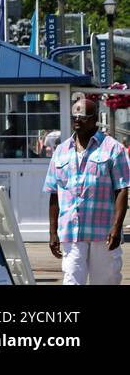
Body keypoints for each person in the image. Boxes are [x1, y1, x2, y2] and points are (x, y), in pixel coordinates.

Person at [44, 96, 130, 285]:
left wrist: (117, 228)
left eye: (82, 116)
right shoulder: (61, 151)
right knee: (72, 281)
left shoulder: (113, 149)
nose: (77, 120)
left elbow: (122, 189)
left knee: (106, 281)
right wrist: (52, 232)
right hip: (71, 232)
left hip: (103, 232)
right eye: (74, 116)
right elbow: (53, 193)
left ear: (93, 119)